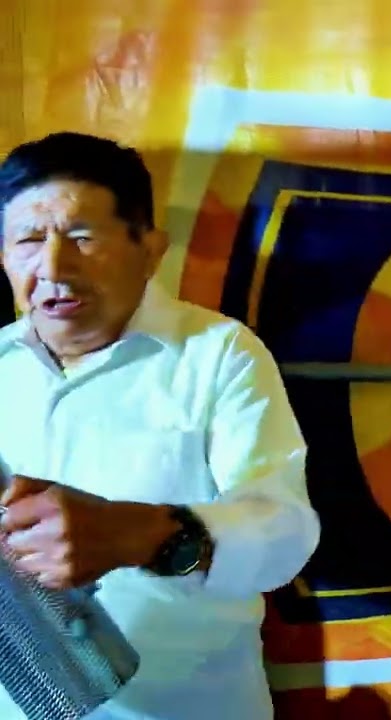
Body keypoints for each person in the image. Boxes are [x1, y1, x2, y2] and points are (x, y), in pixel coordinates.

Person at [0, 132, 321, 719]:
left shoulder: (218, 354)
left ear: (149, 250)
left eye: (82, 237)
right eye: (27, 240)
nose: (52, 267)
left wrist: (146, 534)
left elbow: (287, 532)